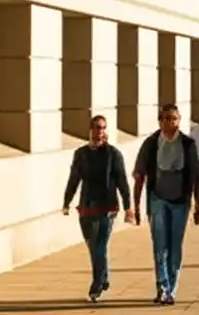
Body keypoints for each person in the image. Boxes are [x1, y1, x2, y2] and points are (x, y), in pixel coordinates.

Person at [132, 104, 199, 305]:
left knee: (175, 247)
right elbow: (140, 176)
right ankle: (162, 287)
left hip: (181, 201)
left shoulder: (188, 145)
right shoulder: (151, 143)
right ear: (160, 121)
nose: (169, 123)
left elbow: (196, 177)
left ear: (179, 120)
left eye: (173, 119)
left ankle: (172, 288)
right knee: (159, 246)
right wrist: (136, 206)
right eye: (165, 119)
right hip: (158, 199)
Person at [62, 115, 133, 302]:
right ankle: (104, 277)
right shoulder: (81, 154)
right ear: (90, 130)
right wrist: (66, 201)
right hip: (86, 206)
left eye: (102, 128)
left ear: (106, 131)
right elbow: (74, 179)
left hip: (107, 206)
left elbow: (122, 181)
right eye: (95, 128)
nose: (99, 132)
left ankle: (96, 285)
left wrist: (128, 207)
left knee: (99, 245)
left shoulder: (113, 154)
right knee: (92, 245)